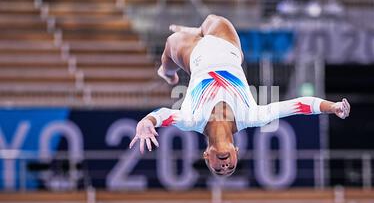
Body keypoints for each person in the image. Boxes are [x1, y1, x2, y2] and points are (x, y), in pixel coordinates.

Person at [130, 14, 350, 177]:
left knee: (171, 46)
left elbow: (163, 115)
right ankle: (198, 31)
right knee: (212, 19)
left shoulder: (191, 121)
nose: (225, 166)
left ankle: (168, 74)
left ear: (207, 155)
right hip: (228, 47)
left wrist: (146, 122)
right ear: (236, 151)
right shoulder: (251, 116)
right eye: (231, 166)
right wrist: (333, 107)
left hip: (194, 58)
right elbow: (299, 105)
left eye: (218, 168)